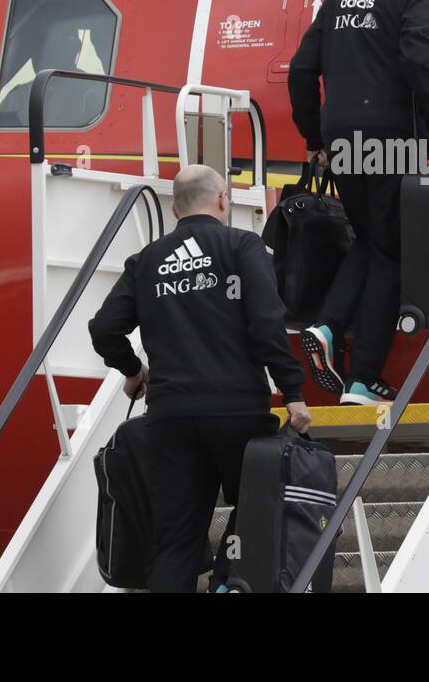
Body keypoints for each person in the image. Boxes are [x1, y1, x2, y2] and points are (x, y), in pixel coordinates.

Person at [87, 164, 311, 593]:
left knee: (175, 542)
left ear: (175, 208)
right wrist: (294, 392)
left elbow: (103, 328)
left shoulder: (146, 261)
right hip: (238, 410)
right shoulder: (242, 246)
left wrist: (133, 371)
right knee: (259, 507)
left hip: (171, 418)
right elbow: (267, 322)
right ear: (223, 200)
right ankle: (228, 582)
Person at [288, 0, 429, 406]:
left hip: (344, 139)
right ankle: (362, 379)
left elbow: (302, 69)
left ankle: (326, 328)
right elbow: (417, 59)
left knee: (370, 239)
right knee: (393, 250)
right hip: (392, 139)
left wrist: (315, 138)